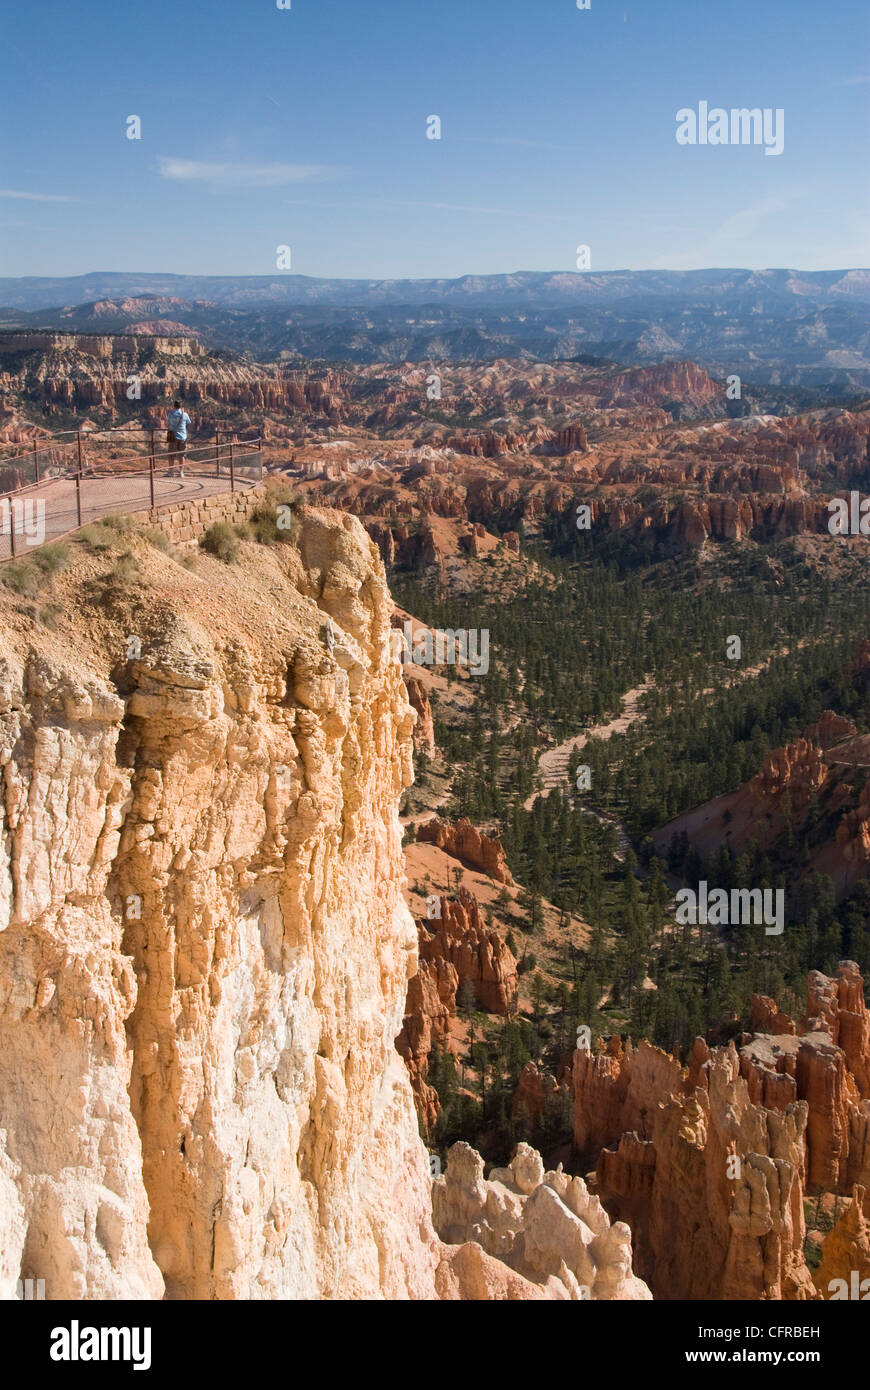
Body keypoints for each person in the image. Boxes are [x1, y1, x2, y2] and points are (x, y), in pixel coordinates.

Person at [166, 399, 191, 478]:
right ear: (181, 406)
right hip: (182, 436)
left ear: (174, 405)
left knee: (171, 455)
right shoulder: (185, 414)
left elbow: (168, 423)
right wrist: (183, 412)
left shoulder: (170, 414)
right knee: (181, 455)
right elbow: (188, 423)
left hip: (172, 436)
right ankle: (181, 472)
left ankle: (171, 472)